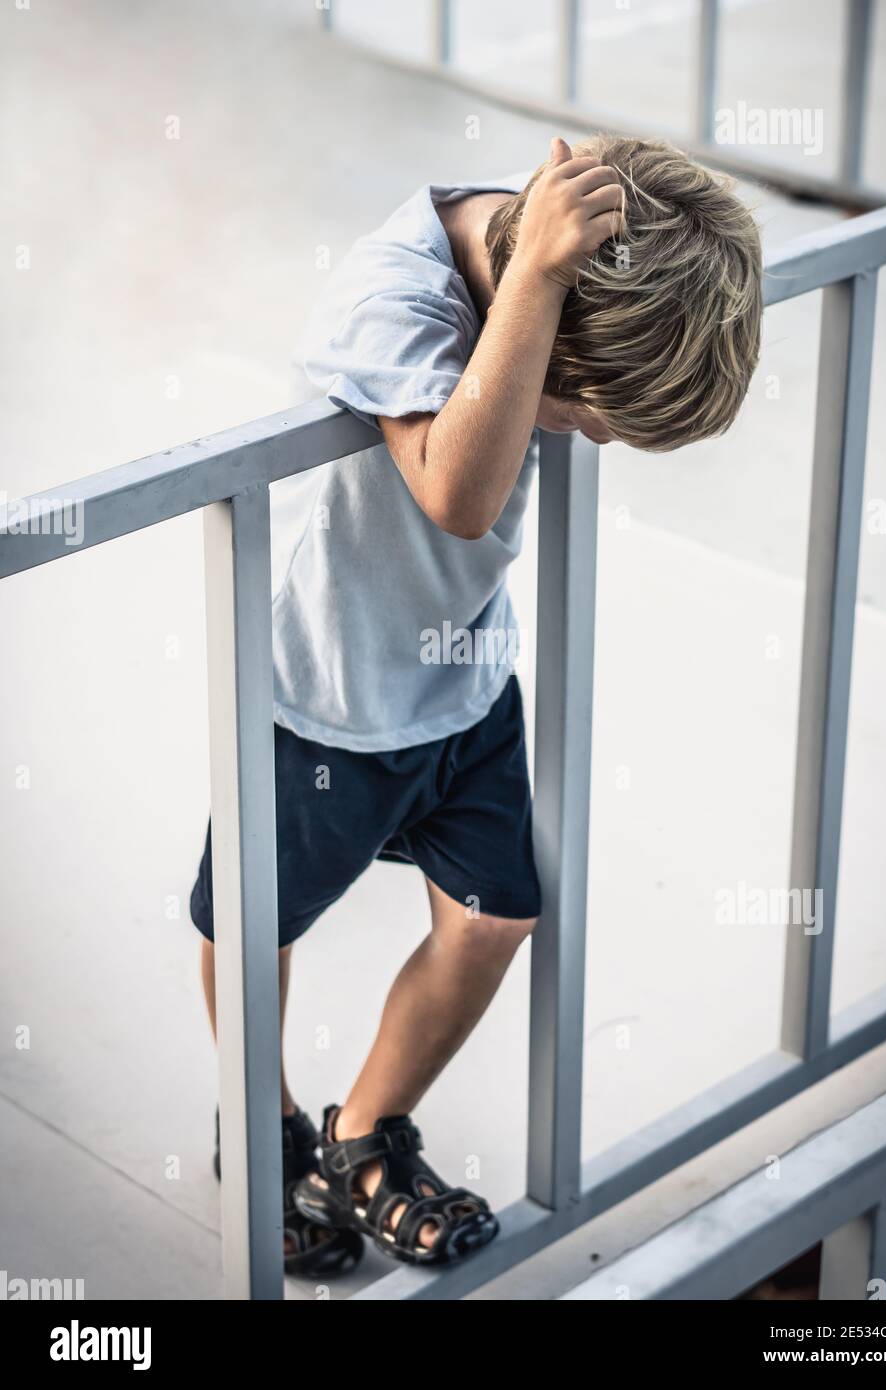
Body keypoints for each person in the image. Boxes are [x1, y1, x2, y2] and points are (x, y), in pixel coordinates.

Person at [190, 134, 763, 1270]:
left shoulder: (549, 233)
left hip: (463, 681)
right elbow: (455, 492)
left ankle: (361, 1136)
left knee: (497, 914)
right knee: (255, 919)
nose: (594, 438)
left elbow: (636, 235)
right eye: (591, 418)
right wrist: (543, 285)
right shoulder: (391, 294)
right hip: (326, 696)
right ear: (537, 316)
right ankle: (261, 1126)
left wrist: (560, 283)